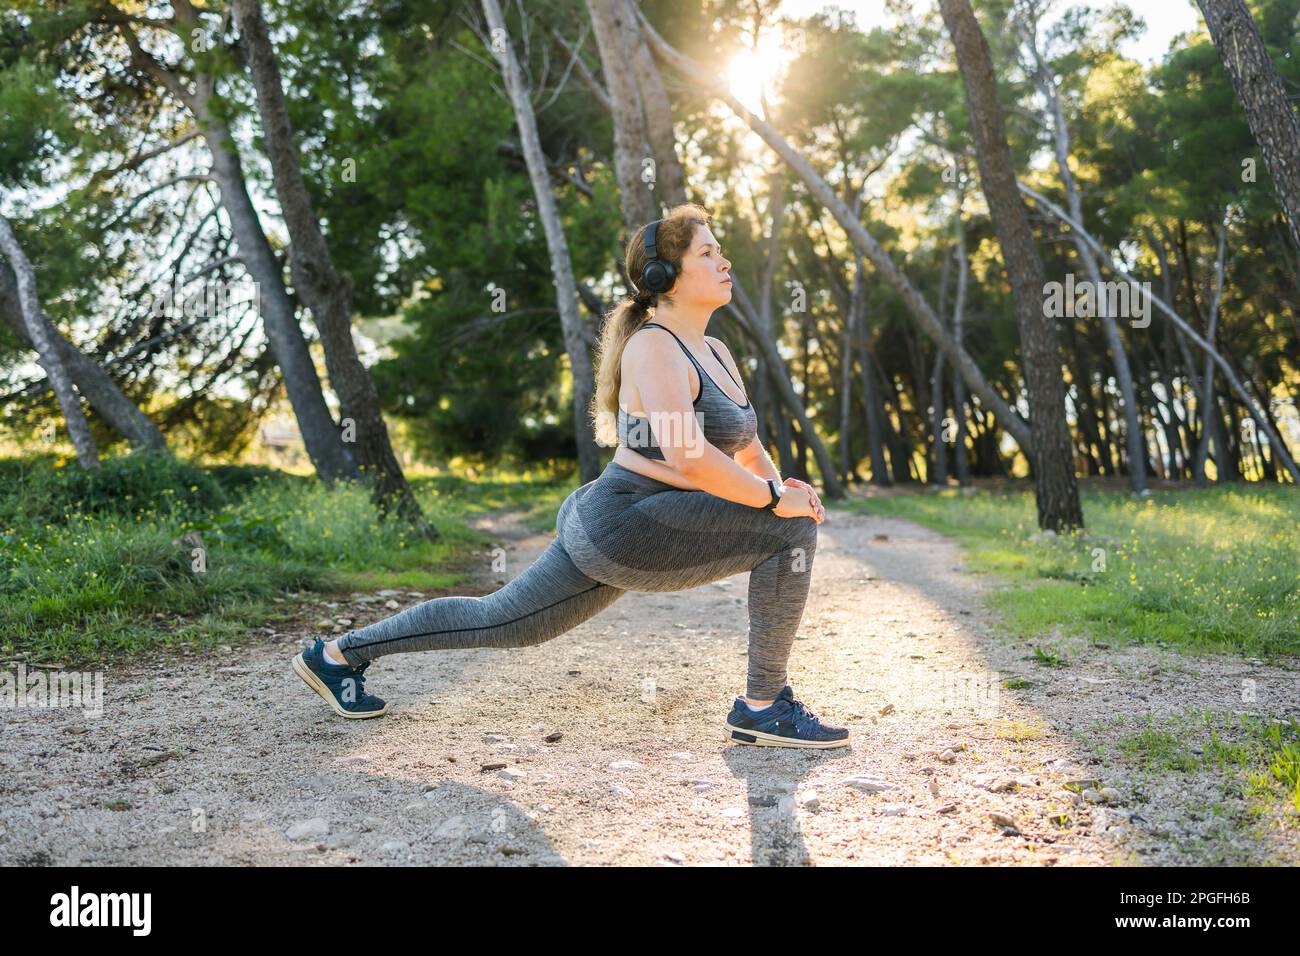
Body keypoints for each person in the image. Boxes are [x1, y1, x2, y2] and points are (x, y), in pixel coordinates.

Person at [292, 202, 849, 749]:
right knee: (788, 532)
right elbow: (688, 455)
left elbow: (744, 444)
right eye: (708, 253)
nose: (724, 262)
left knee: (506, 622)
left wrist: (784, 487)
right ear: (665, 277)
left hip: (642, 521)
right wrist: (775, 503)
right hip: (624, 520)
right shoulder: (655, 345)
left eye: (720, 251)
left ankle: (337, 656)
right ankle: (762, 706)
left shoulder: (717, 351)